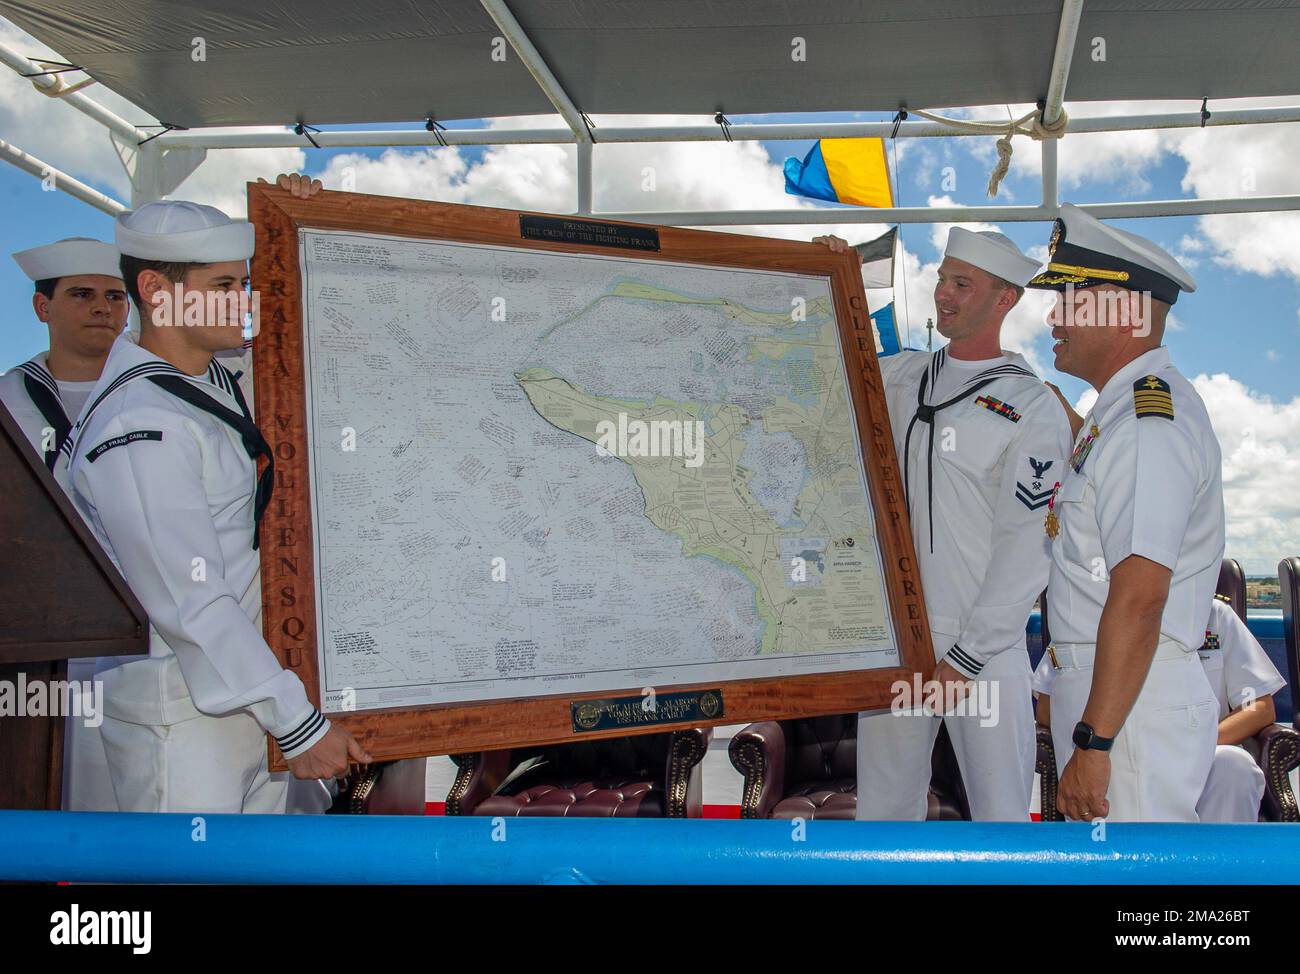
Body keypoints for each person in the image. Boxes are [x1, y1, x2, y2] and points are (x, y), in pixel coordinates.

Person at [65, 189, 369, 814]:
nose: (246, 300)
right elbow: (188, 598)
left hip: (251, 697)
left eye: (246, 282)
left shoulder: (217, 381)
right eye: (226, 284)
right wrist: (296, 722)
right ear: (156, 289)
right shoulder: (140, 421)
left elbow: (316, 346)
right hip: (183, 718)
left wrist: (305, 219)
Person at [816, 228, 1072, 820]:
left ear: (1004, 300)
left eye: (962, 284)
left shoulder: (1031, 406)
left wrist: (968, 656)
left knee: (1001, 817)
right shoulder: (901, 376)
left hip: (984, 649)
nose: (943, 295)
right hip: (898, 639)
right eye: (941, 279)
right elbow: (824, 364)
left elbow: (1027, 545)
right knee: (882, 815)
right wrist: (828, 275)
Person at [1026, 202, 1224, 821]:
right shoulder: (1120, 420)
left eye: (1071, 299)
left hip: (1125, 711)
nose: (1054, 316)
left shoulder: (1145, 425)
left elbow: (1140, 597)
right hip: (1106, 693)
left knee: (1141, 898)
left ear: (1126, 311)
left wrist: (1096, 742)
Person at [2, 237, 128, 812]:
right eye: (82, 295)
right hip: (40, 634)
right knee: (46, 781)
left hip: (143, 626)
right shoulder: (7, 400)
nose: (103, 307)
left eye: (115, 296)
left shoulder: (158, 393)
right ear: (42, 307)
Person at [1035, 595, 1285, 822]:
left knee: (1234, 766)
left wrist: (1196, 744)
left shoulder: (1214, 616)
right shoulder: (1089, 616)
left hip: (1205, 754)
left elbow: (1258, 708)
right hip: (1113, 754)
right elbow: (1046, 708)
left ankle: (1221, 869)